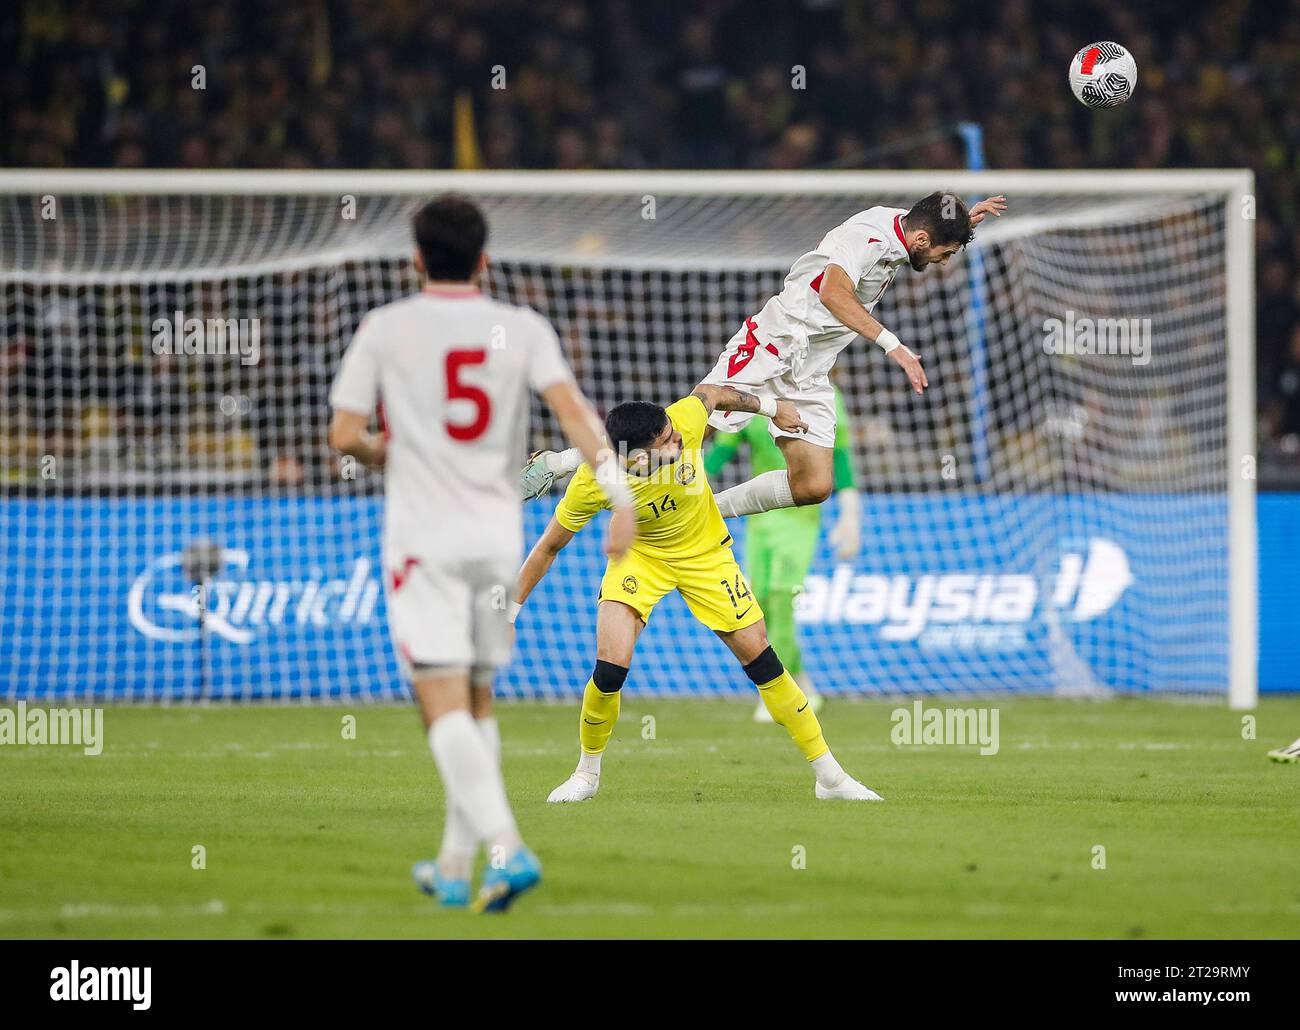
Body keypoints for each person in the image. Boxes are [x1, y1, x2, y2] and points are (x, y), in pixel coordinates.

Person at [328, 194, 637, 912]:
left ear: (415, 259)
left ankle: (508, 848)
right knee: (477, 702)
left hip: (425, 540)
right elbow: (578, 418)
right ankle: (453, 864)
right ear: (484, 259)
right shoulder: (522, 327)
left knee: (441, 704)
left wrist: (391, 455)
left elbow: (345, 436)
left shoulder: (385, 328)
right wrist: (620, 497)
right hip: (498, 538)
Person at [513, 386, 883, 803]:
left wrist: (772, 407)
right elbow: (547, 547)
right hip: (642, 558)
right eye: (668, 441)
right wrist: (509, 611)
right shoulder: (592, 484)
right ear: (637, 459)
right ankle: (586, 774)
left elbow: (711, 394)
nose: (681, 439)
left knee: (763, 660)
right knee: (610, 668)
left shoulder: (683, 421)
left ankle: (830, 778)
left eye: (675, 432)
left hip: (706, 554)